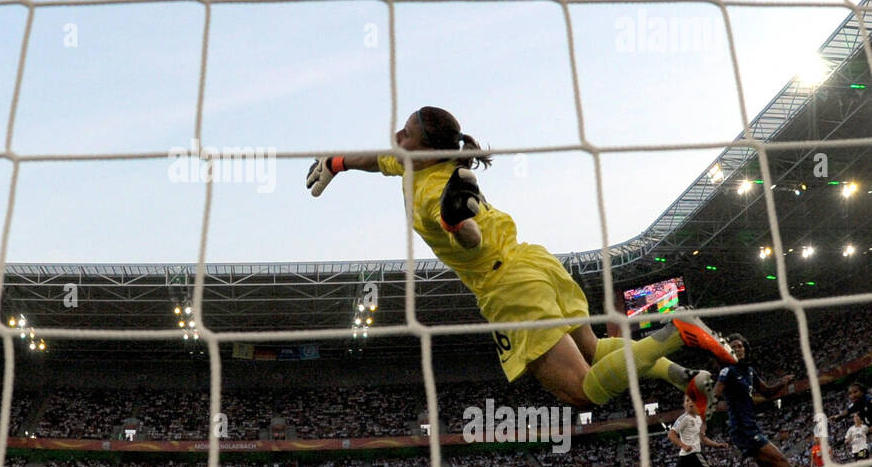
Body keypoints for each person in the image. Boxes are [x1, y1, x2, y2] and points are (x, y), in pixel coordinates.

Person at [306, 107, 734, 410]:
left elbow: (470, 240)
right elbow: (371, 160)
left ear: (427, 150)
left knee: (582, 392)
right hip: (535, 263)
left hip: (508, 289)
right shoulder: (410, 161)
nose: (398, 137)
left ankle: (678, 330)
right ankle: (683, 375)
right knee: (593, 348)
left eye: (407, 133)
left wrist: (457, 223)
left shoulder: (432, 192)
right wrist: (335, 163)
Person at [715, 335, 839, 467]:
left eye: (740, 346)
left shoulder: (749, 371)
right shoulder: (727, 371)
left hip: (750, 426)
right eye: (733, 347)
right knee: (782, 462)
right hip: (741, 429)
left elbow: (767, 393)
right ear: (728, 351)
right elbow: (716, 393)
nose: (738, 349)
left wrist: (782, 382)